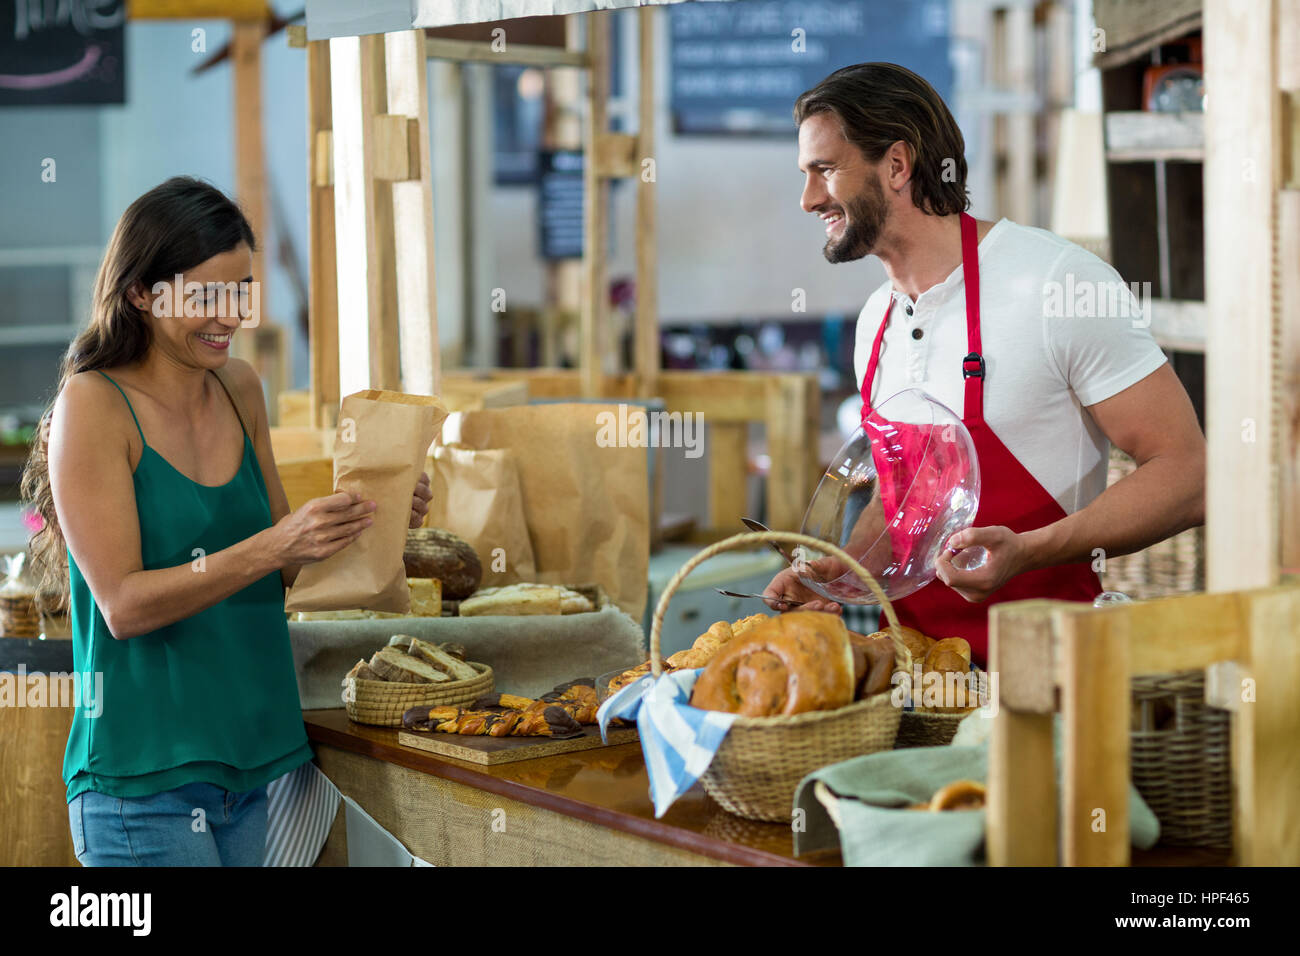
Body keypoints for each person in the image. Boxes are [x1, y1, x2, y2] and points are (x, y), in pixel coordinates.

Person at [21, 176, 433, 866]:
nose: (231, 315)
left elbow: (286, 572)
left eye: (241, 290)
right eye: (205, 296)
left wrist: (373, 516)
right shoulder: (92, 406)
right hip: (144, 780)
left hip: (258, 763)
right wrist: (273, 544)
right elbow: (122, 605)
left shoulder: (239, 388)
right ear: (140, 295)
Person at [763, 64, 1205, 666]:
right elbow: (908, 501)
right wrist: (839, 575)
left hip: (1052, 680)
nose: (809, 198)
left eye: (825, 169)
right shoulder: (876, 321)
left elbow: (1187, 473)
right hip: (920, 685)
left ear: (897, 164)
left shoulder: (1056, 282)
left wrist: (1029, 550)